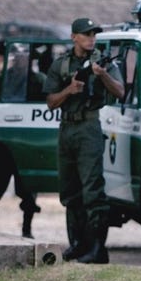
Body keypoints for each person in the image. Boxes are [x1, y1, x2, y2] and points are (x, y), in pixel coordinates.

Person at [44, 17, 124, 264]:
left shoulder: (102, 62)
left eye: (93, 34)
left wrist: (102, 75)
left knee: (92, 189)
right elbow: (51, 102)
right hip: (66, 127)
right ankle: (77, 244)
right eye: (86, 34)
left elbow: (120, 91)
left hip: (89, 127)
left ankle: (98, 249)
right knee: (69, 190)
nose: (91, 38)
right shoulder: (61, 64)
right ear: (74, 37)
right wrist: (69, 90)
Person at [0, 69, 43, 238]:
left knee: (28, 189)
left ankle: (27, 229)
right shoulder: (3, 79)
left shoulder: (38, 80)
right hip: (5, 140)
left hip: (27, 141)